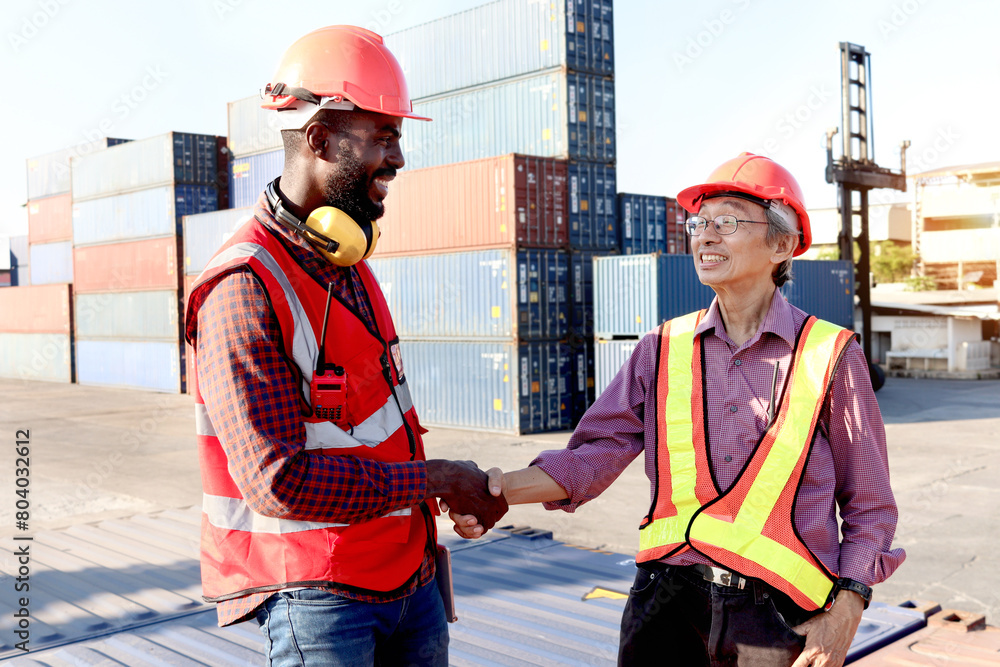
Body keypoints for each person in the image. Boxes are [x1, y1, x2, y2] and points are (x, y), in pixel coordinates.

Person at [449, 153, 905, 667]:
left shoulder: (831, 354)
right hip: (663, 606)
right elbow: (595, 456)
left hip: (777, 618)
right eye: (699, 223)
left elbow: (870, 504)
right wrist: (495, 490)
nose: (706, 236)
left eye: (727, 222)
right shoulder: (663, 347)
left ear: (781, 244)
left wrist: (846, 609)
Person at [185, 25, 507, 666]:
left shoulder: (350, 262)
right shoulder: (243, 287)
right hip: (321, 596)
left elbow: (372, 432)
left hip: (407, 577)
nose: (399, 157)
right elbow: (278, 481)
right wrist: (437, 478)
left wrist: (440, 493)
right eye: (383, 136)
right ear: (320, 138)